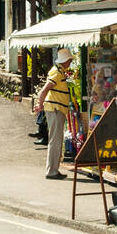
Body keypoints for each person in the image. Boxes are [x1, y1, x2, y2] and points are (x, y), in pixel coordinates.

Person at [34, 48, 75, 180]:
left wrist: (40, 104)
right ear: (65, 61)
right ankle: (52, 171)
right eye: (69, 60)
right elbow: (45, 89)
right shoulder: (57, 73)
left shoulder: (58, 71)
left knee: (56, 140)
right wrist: (39, 104)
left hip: (57, 109)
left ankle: (53, 169)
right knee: (55, 141)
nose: (70, 62)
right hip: (56, 109)